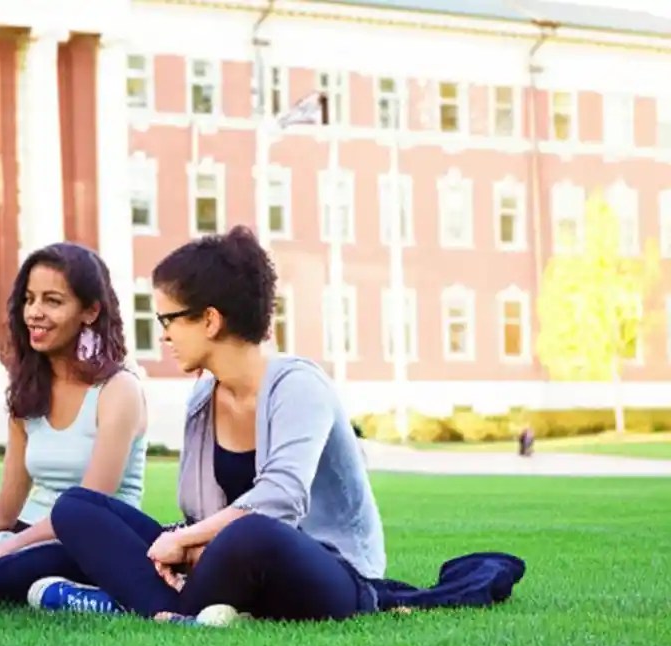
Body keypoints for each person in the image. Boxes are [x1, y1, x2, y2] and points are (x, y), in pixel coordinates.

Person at [32, 226, 526, 624]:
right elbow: (197, 510)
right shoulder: (203, 396)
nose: (162, 336)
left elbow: (281, 497)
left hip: (329, 571)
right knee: (79, 508)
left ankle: (143, 603)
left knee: (253, 534)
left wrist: (187, 540)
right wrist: (190, 543)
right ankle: (176, 609)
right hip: (224, 567)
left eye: (168, 321)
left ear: (209, 320)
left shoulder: (298, 386)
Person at [0, 242, 149, 606]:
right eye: (30, 299)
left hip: (84, 541)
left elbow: (87, 512)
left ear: (90, 311)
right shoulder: (26, 392)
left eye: (52, 301)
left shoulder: (118, 390)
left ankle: (92, 595)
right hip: (25, 534)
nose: (34, 312)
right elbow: (4, 512)